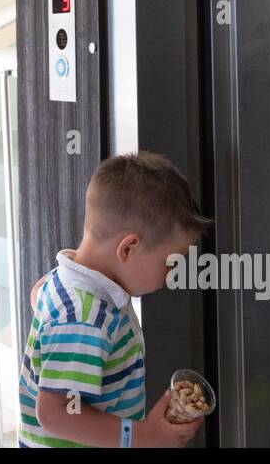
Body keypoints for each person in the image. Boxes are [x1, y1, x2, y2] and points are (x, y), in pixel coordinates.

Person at [18, 151, 213, 447]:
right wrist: (143, 437)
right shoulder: (86, 319)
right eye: (171, 262)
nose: (172, 274)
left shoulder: (66, 280)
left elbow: (39, 295)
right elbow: (57, 414)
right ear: (128, 249)